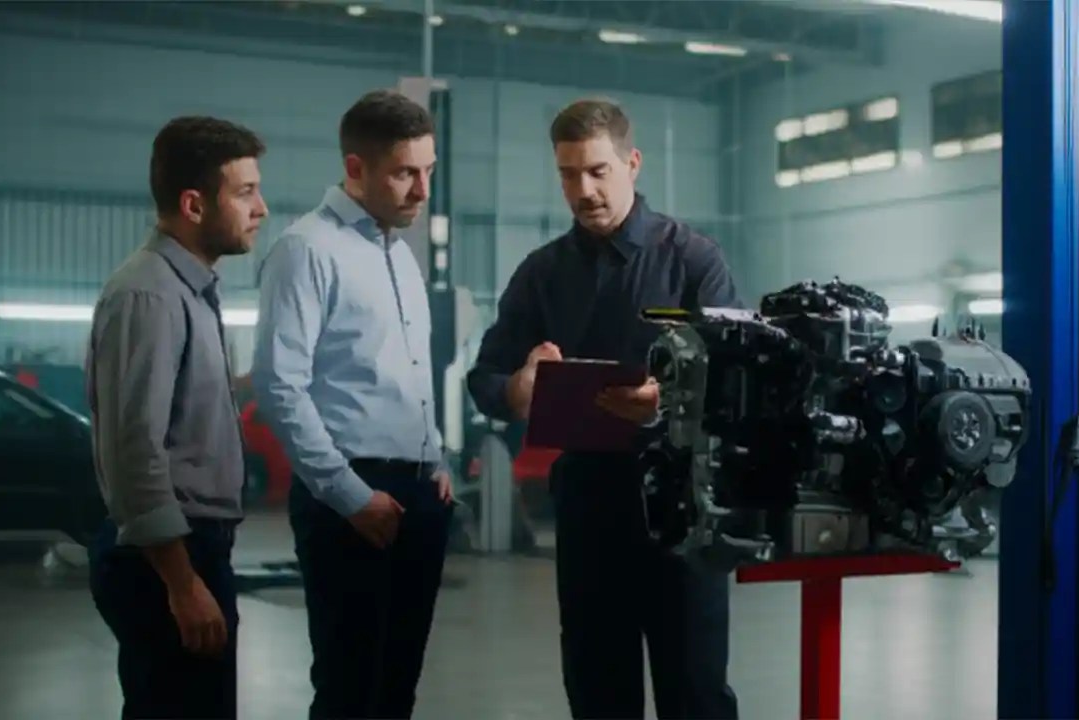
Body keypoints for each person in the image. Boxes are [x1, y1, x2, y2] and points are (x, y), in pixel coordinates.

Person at [466, 98, 743, 720]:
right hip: (590, 505)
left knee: (695, 689)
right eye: (568, 174)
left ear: (632, 163)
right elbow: (485, 378)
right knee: (597, 688)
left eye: (597, 171)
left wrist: (666, 402)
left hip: (684, 507)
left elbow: (738, 377)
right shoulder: (542, 274)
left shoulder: (693, 260)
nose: (583, 190)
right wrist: (519, 389)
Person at [251, 89, 454, 720]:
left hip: (418, 490)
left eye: (429, 172)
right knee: (349, 689)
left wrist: (437, 457)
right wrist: (348, 494)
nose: (422, 190)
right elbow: (279, 384)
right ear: (355, 167)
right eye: (404, 173)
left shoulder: (398, 254)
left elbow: (409, 375)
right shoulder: (307, 249)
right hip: (350, 496)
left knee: (396, 688)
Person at [86, 115, 269, 719]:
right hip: (168, 560)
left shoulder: (190, 292)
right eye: (244, 192)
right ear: (193, 204)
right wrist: (183, 584)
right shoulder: (150, 294)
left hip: (194, 551)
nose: (260, 208)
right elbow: (135, 450)